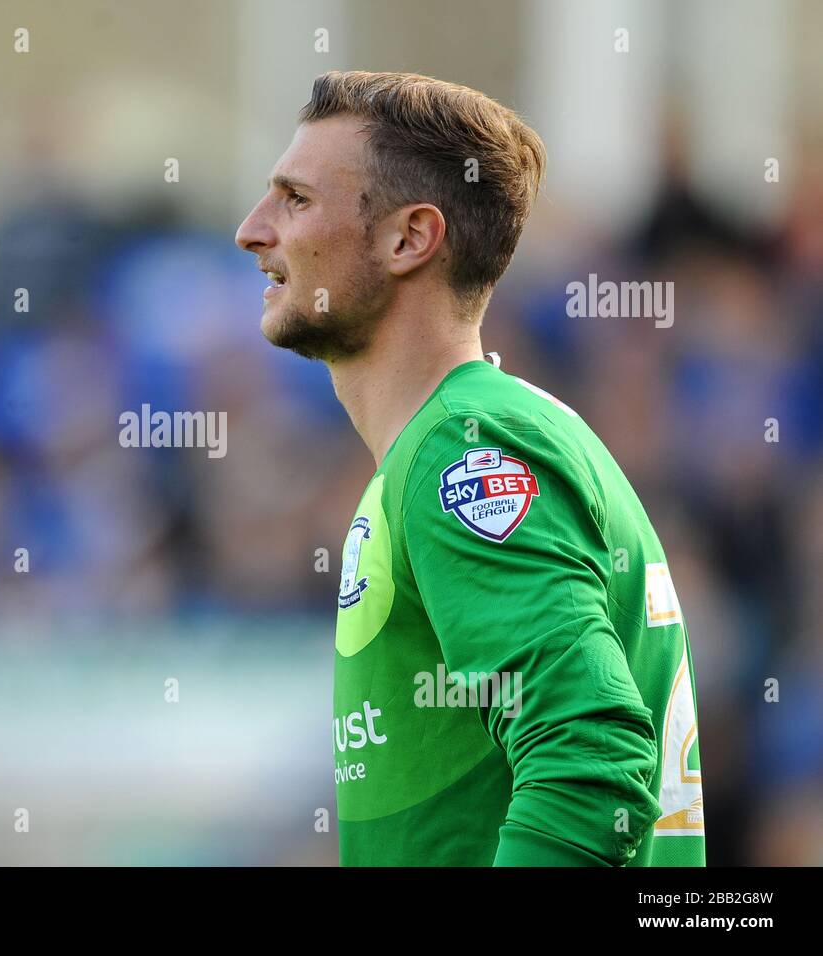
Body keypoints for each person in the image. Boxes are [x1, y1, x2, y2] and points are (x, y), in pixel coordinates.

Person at [235, 71, 704, 866]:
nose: (253, 230)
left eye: (296, 199)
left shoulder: (466, 454)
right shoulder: (463, 438)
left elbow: (589, 767)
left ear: (409, 238)